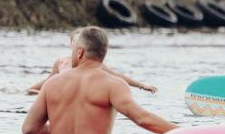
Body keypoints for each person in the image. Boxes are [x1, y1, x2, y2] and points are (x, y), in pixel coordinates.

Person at [20, 25, 176, 134]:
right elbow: (142, 118)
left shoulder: (52, 84)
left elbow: (29, 128)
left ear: (80, 52)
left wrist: (60, 128)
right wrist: (182, 131)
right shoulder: (113, 85)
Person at [27, 34, 156, 95]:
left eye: (80, 41)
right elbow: (48, 83)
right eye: (75, 40)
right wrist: (28, 91)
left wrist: (141, 85)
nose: (78, 43)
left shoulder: (94, 64)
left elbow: (115, 75)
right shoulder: (61, 62)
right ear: (71, 44)